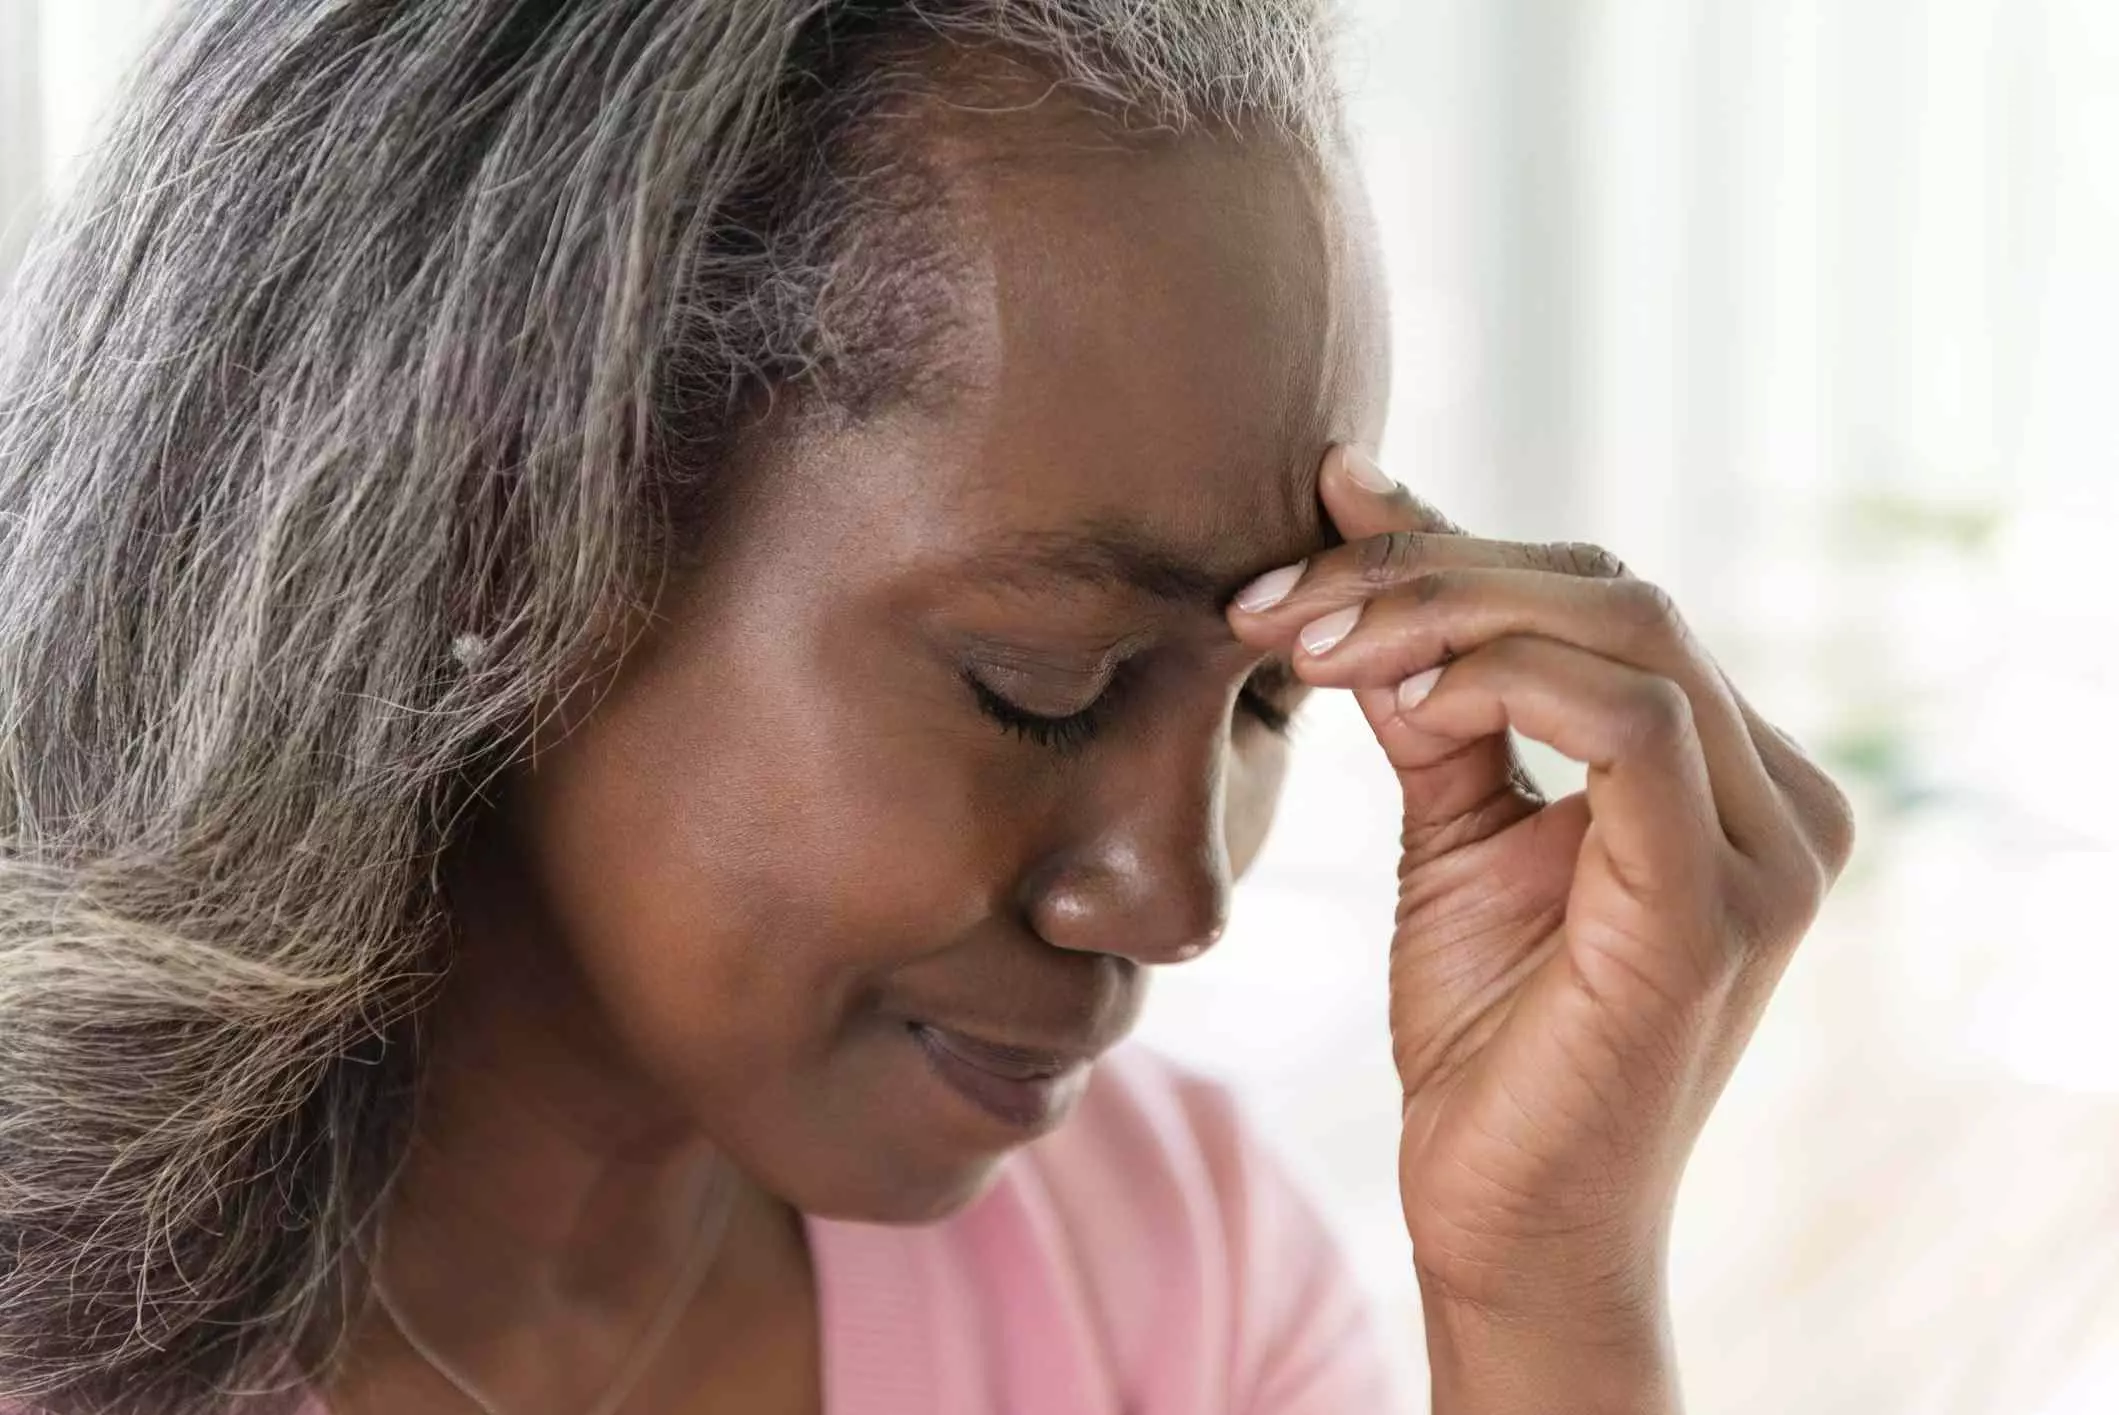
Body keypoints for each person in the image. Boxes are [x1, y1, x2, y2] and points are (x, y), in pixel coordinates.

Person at [0, 1, 1855, 1412]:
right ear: (492, 537)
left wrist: (1543, 1295)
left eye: (1268, 705)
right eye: (1040, 685)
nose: (1176, 899)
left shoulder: (1168, 1286)